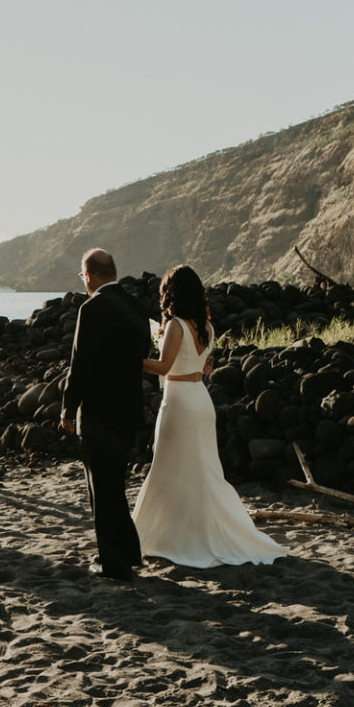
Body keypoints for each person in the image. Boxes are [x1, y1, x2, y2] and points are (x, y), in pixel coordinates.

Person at [132, 265, 286, 567]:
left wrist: (130, 359)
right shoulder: (206, 326)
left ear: (171, 293)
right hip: (200, 398)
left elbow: (164, 368)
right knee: (201, 471)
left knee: (168, 469)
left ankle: (161, 536)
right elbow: (203, 365)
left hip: (178, 402)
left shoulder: (176, 325)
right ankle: (196, 532)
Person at [60, 248, 150, 581]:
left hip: (98, 413)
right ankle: (129, 550)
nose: (84, 282)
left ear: (91, 273)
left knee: (102, 490)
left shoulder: (92, 308)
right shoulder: (137, 307)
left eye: (83, 276)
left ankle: (113, 564)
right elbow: (143, 351)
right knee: (116, 485)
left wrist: (68, 407)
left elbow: (80, 363)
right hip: (128, 410)